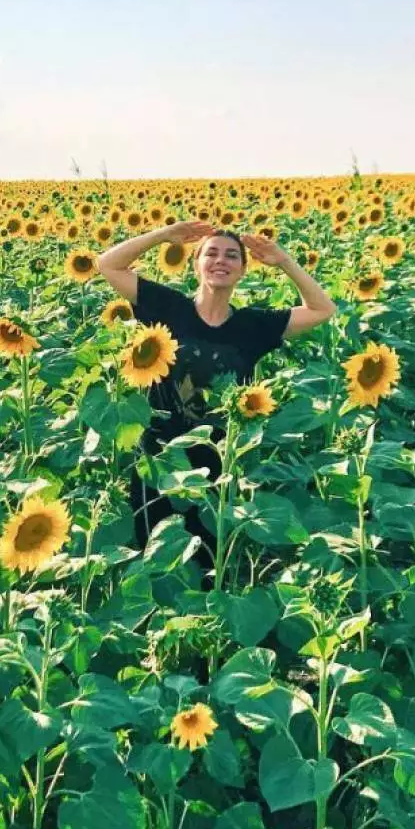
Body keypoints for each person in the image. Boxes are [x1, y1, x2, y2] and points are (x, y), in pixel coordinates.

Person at [96, 218, 338, 584]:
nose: (220, 260)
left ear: (243, 269)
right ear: (197, 264)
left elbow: (322, 309)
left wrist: (284, 260)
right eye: (211, 253)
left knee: (209, 570)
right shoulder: (168, 307)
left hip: (216, 469)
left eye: (231, 256)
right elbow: (107, 264)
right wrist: (164, 235)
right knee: (156, 568)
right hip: (159, 462)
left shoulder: (253, 327)